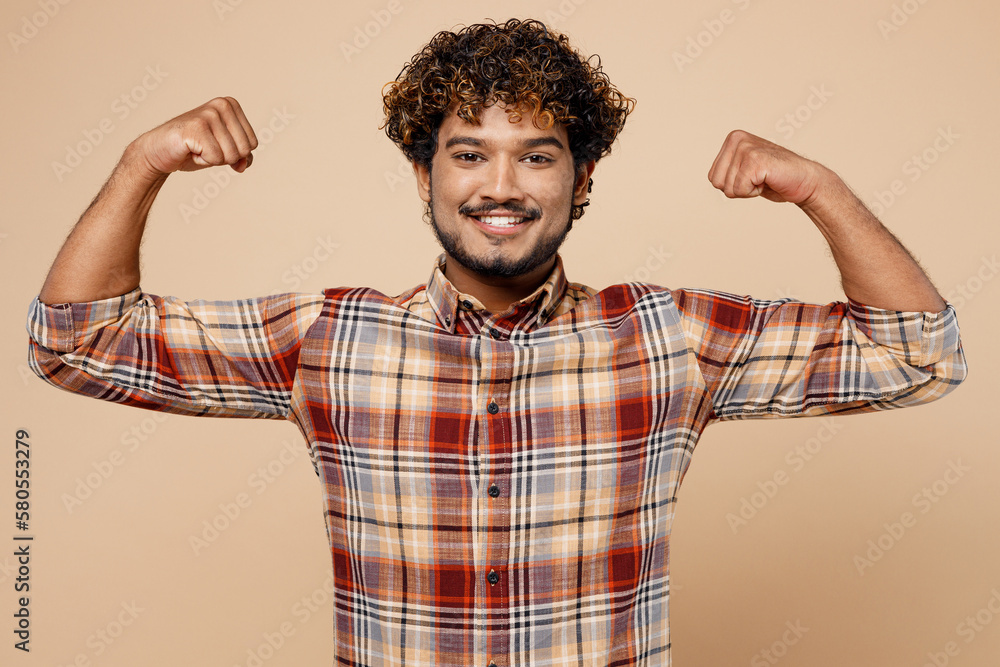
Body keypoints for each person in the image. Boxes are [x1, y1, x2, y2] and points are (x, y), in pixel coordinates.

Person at [27, 18, 966, 667]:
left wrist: (818, 190)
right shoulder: (331, 338)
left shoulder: (667, 336)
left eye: (538, 153)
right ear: (423, 172)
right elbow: (77, 342)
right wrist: (141, 163)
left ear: (582, 176)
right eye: (468, 151)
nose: (500, 184)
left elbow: (918, 354)